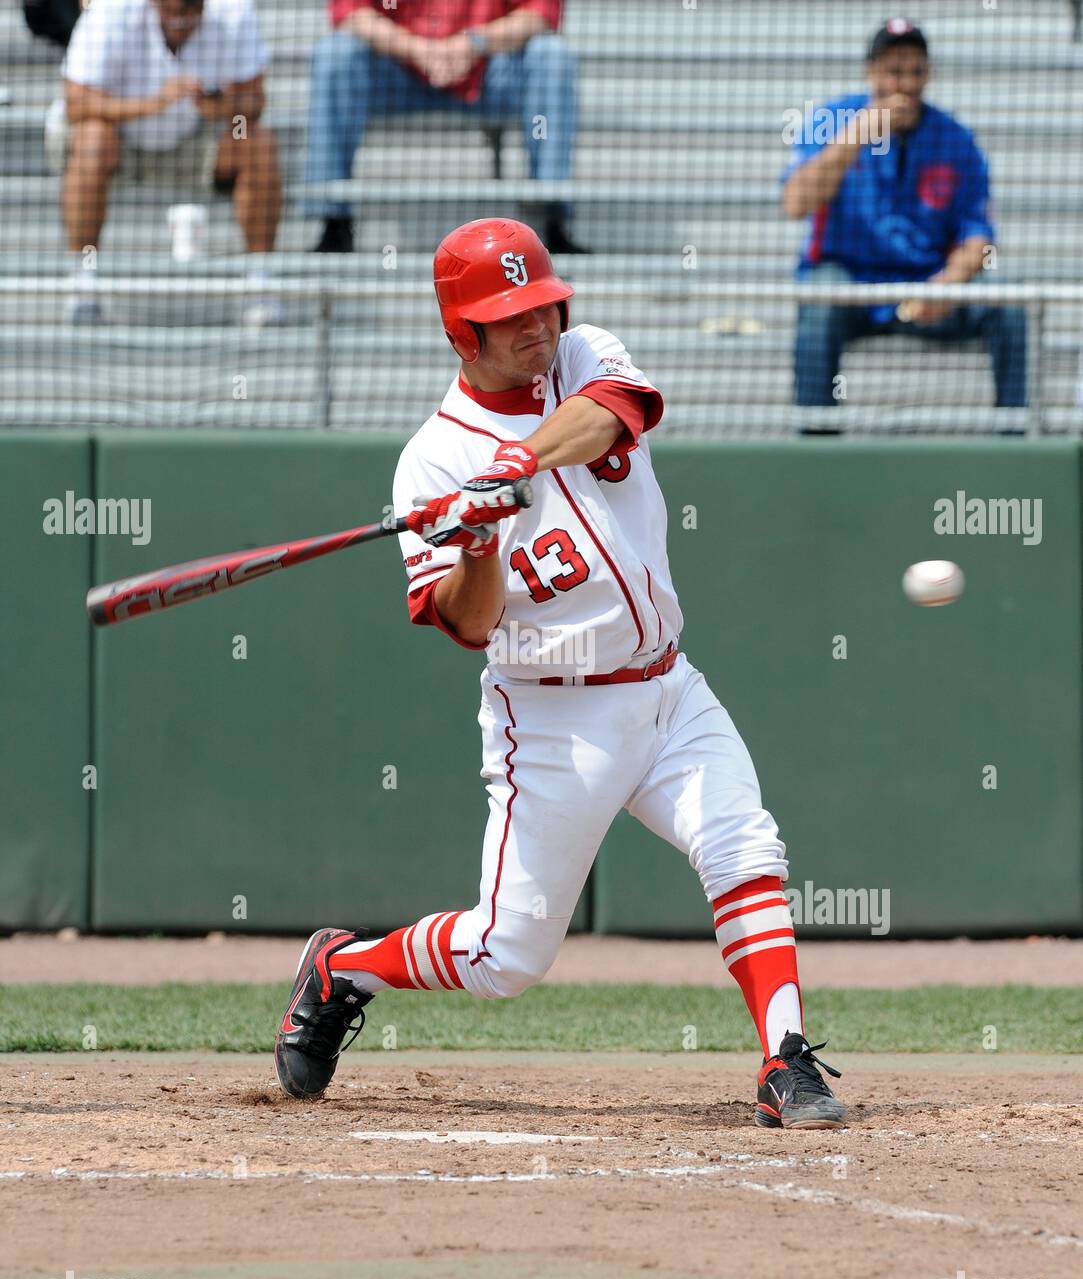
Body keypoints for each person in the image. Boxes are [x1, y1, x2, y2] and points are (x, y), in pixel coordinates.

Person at [273, 217, 848, 1133]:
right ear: (462, 334)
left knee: (745, 849)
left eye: (541, 303)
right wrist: (473, 538)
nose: (535, 326)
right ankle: (342, 967)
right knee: (506, 957)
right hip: (550, 715)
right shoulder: (431, 459)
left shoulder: (583, 357)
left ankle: (784, 1061)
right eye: (509, 317)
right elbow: (468, 622)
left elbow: (609, 413)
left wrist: (521, 461)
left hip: (666, 689)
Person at [782, 17, 1026, 428]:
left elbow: (979, 236)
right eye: (894, 71)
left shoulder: (954, 139)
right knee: (818, 307)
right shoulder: (830, 119)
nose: (906, 84)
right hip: (849, 279)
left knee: (1009, 308)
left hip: (928, 281)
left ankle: (1016, 438)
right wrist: (858, 133)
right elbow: (795, 202)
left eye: (916, 71)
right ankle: (816, 446)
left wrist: (948, 284)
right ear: (871, 72)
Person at [54, 0, 282, 325]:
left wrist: (221, 106)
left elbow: (255, 100)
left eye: (190, 10)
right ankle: (82, 281)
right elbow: (76, 104)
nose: (181, 21)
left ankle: (261, 282)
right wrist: (155, 102)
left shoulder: (234, 10)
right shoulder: (110, 10)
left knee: (257, 141)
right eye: (172, 11)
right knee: (91, 138)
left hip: (199, 139)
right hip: (119, 137)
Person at [304, 0, 586, 255]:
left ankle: (552, 221)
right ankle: (334, 223)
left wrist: (472, 43)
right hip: (398, 70)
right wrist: (415, 48)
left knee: (552, 54)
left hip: (487, 71)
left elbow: (539, 13)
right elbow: (351, 12)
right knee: (335, 52)